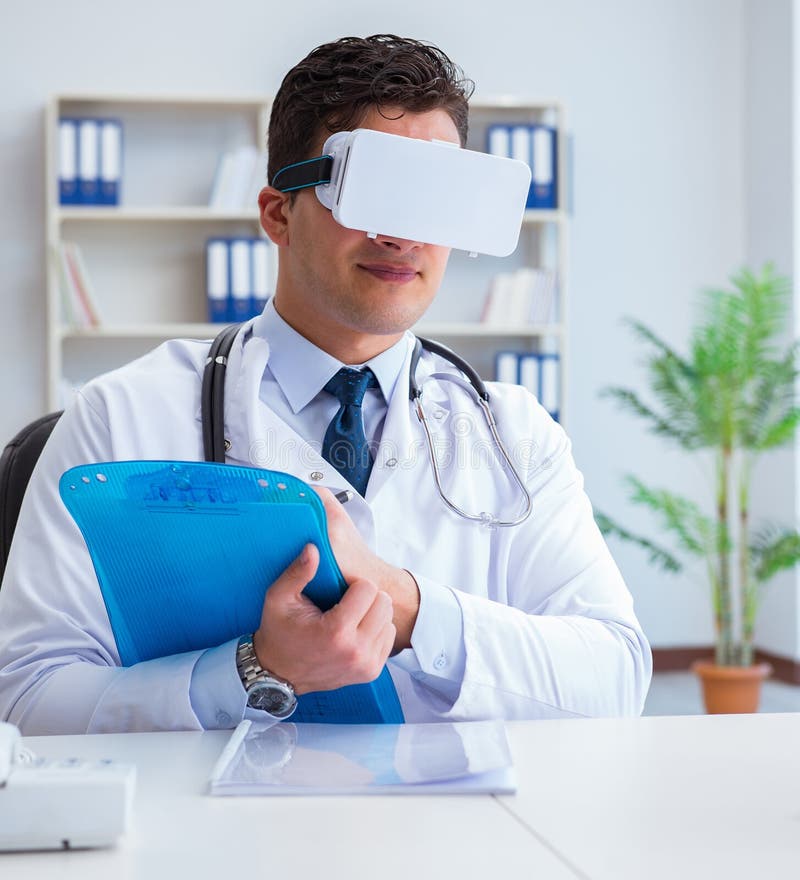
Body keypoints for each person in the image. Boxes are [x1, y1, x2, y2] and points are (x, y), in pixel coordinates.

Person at [0, 34, 651, 733]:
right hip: (216, 834)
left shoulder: (515, 433)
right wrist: (250, 671)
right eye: (374, 191)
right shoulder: (119, 416)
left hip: (459, 835)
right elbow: (26, 699)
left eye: (434, 199)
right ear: (279, 213)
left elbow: (614, 677)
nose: (403, 235)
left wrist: (410, 609)